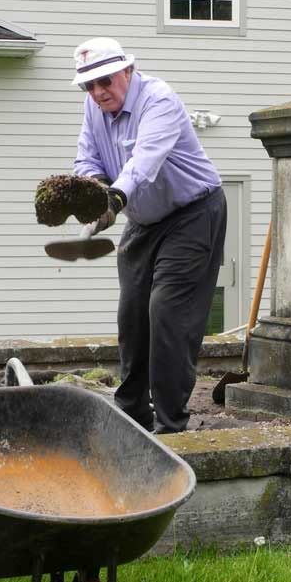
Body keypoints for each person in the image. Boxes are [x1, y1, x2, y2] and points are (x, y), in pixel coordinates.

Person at [71, 37, 226, 434]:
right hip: (143, 220)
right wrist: (93, 192)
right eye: (89, 85)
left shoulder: (159, 100)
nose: (98, 92)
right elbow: (87, 158)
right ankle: (132, 414)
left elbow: (146, 160)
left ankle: (172, 423)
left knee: (167, 312)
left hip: (192, 213)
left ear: (127, 70)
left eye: (105, 81)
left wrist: (114, 198)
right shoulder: (94, 107)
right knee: (133, 315)